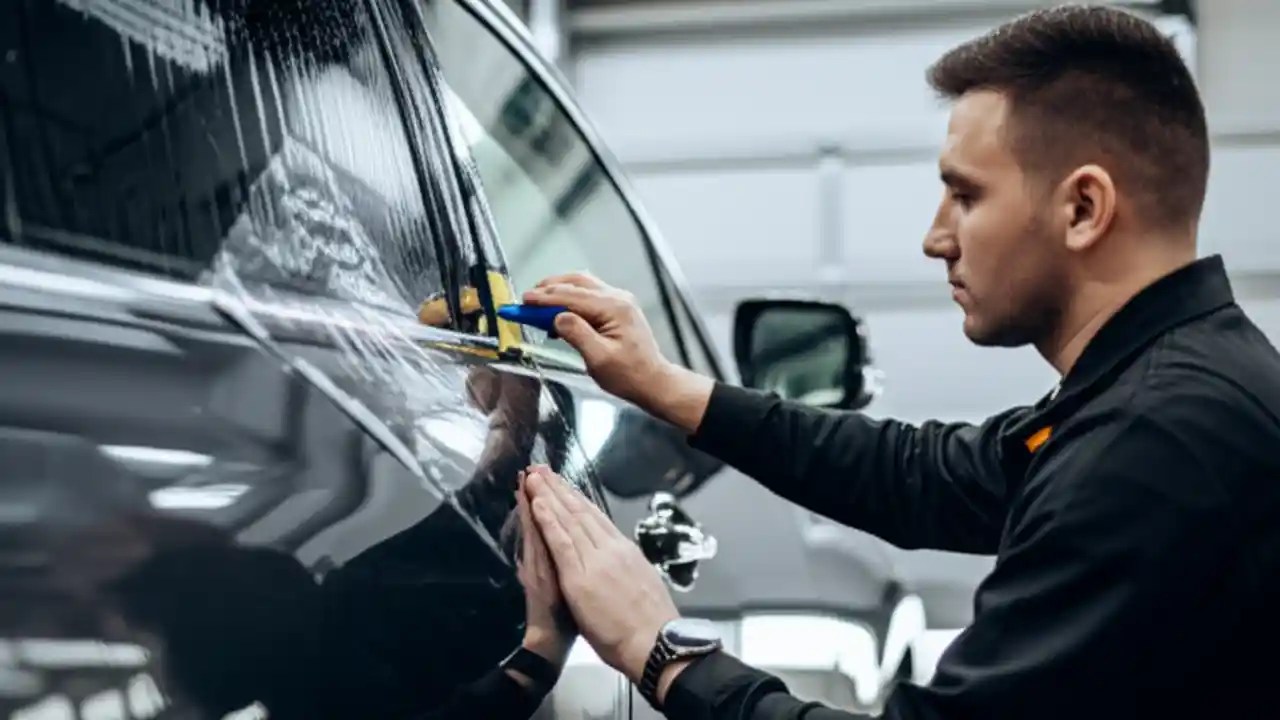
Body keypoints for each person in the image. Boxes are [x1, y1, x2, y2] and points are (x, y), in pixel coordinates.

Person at [514, 4, 1280, 720]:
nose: (935, 238)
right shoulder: (1164, 389)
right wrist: (664, 386)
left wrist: (664, 655)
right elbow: (921, 475)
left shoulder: (1154, 443)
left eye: (965, 196)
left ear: (1082, 209)